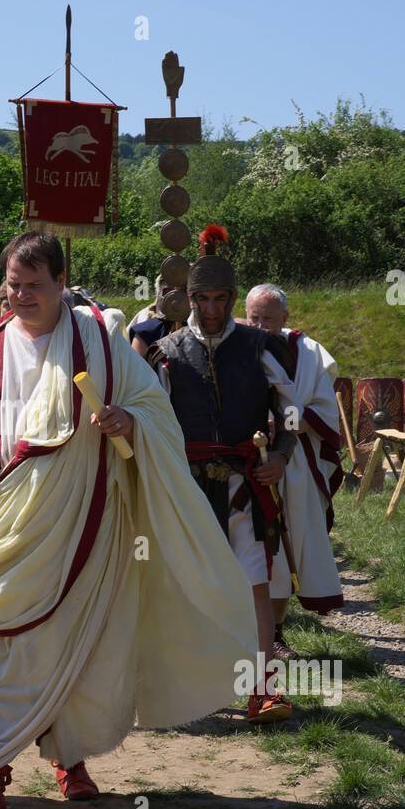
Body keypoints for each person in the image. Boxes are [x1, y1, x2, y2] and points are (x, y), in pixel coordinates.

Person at [0, 231, 257, 809]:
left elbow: (154, 412)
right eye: (12, 286)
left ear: (60, 283)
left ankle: (68, 761)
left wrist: (129, 422)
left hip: (81, 524)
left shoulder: (97, 343)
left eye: (35, 287)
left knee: (74, 645)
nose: (21, 297)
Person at [147, 235, 302, 712]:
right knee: (182, 583)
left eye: (220, 299)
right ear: (189, 299)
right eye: (201, 299)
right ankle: (183, 686)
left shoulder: (260, 346)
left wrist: (281, 454)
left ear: (232, 299)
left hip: (244, 483)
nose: (211, 308)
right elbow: (151, 416)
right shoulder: (167, 350)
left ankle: (261, 687)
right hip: (187, 485)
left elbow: (291, 409)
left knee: (254, 582)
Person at [242, 284, 345, 621]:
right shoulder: (236, 347)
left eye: (268, 319)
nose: (259, 326)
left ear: (285, 317)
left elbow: (325, 409)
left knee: (291, 542)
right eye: (254, 318)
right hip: (245, 460)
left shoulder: (309, 352)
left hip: (296, 461)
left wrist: (285, 425)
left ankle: (277, 628)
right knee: (253, 545)